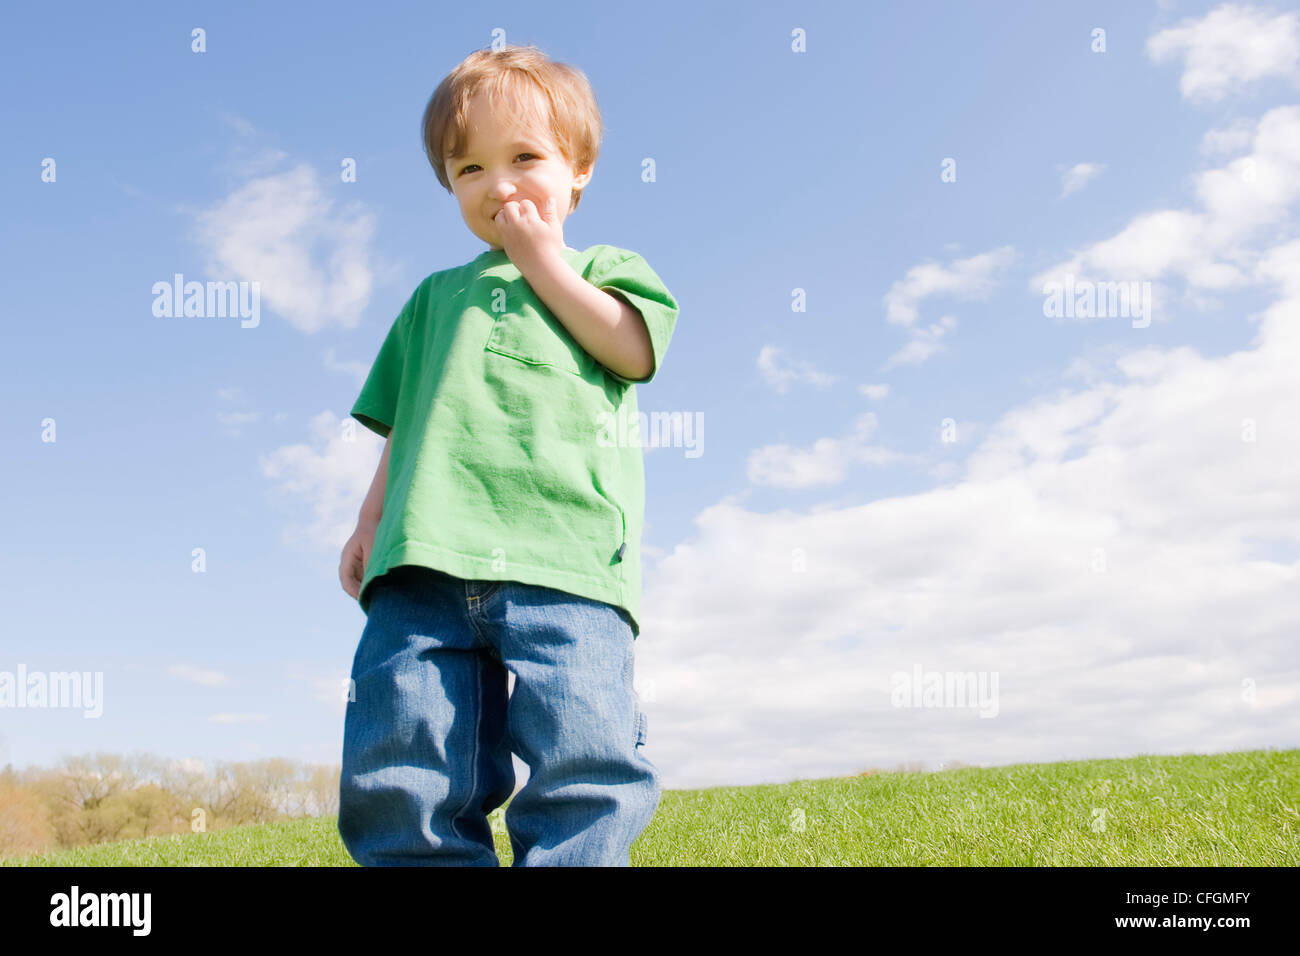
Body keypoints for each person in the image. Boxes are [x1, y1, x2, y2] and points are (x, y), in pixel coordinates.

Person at [335, 44, 680, 866]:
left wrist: (540, 261)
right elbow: (405, 419)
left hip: (565, 560)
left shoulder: (605, 270)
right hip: (423, 560)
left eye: (526, 158)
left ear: (580, 169)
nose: (500, 185)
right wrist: (368, 520)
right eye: (470, 169)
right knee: (401, 763)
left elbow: (630, 349)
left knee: (582, 753)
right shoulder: (431, 299)